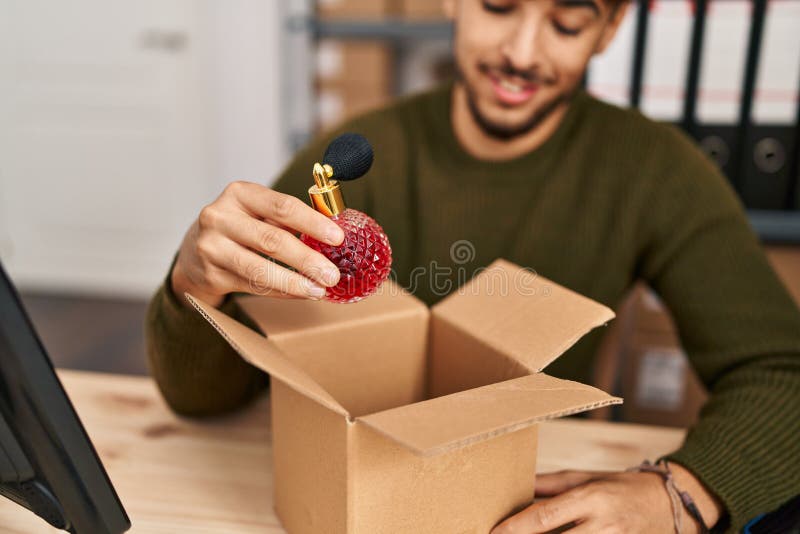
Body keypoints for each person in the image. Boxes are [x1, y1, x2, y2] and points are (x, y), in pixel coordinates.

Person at [145, 0, 800, 532]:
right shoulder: (352, 163)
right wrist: (195, 288)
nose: (521, 53)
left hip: (520, 497)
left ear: (610, 28)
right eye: (498, 6)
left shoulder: (656, 169)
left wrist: (682, 493)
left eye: (567, 22)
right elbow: (202, 400)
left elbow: (783, 371)